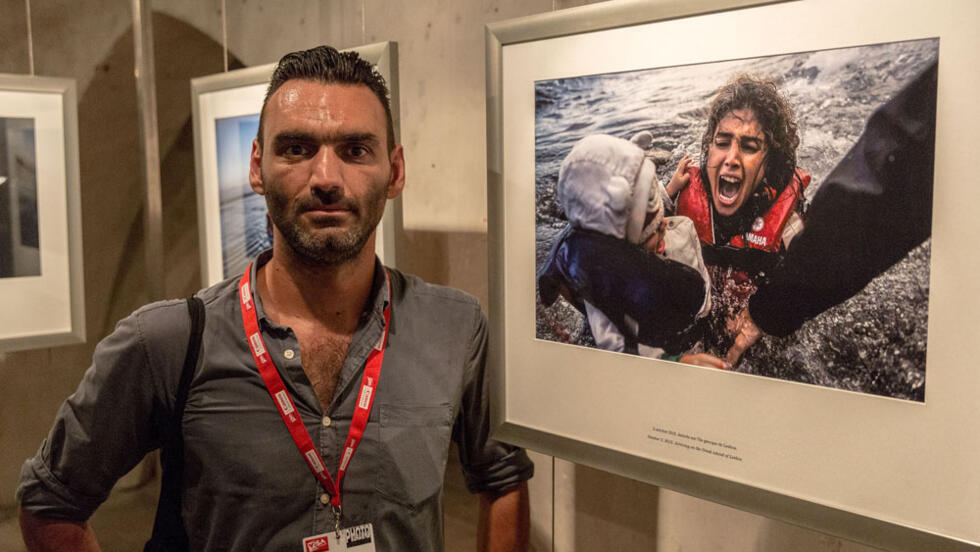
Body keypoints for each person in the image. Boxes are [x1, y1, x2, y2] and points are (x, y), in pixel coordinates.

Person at [17, 46, 533, 552]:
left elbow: (503, 478)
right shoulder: (167, 342)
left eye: (356, 150)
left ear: (395, 171)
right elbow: (50, 501)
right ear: (258, 167)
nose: (326, 178)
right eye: (297, 149)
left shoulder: (454, 326)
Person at [726, 60, 938, 365]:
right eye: (722, 142)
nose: (732, 158)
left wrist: (773, 306)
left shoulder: (794, 230)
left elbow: (891, 177)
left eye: (748, 146)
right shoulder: (675, 223)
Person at [538, 134, 725, 369]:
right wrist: (683, 362)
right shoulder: (606, 289)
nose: (665, 227)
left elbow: (645, 202)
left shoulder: (634, 210)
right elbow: (622, 352)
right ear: (623, 248)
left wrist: (669, 190)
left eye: (662, 221)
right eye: (655, 231)